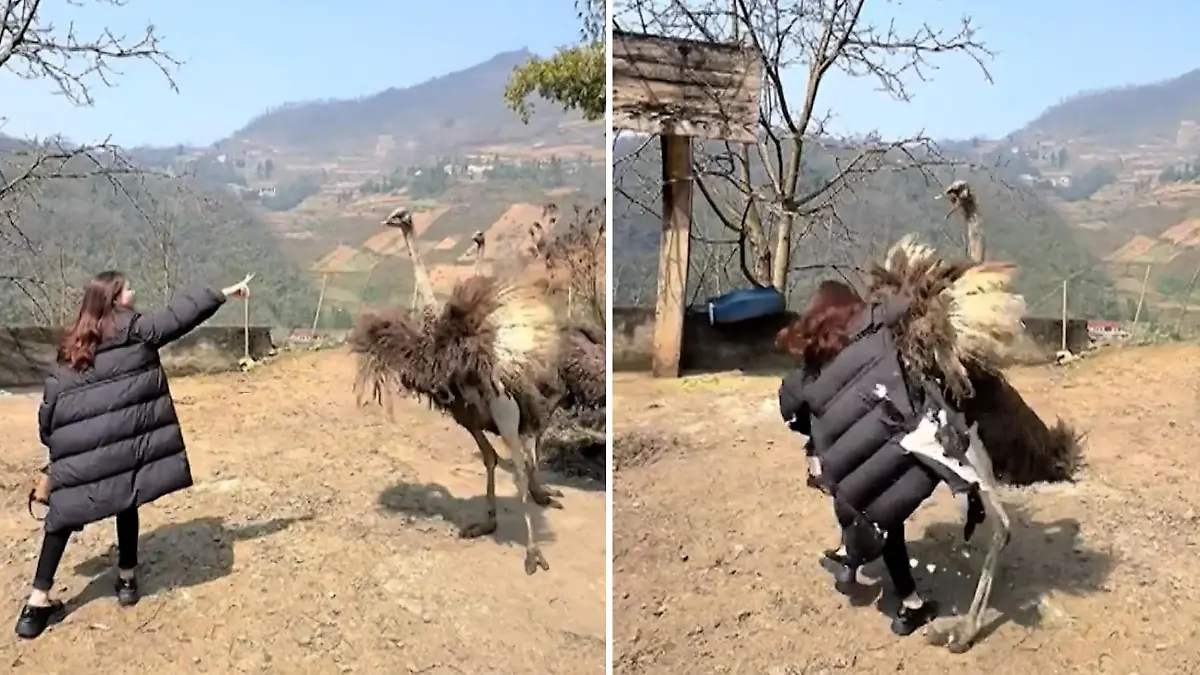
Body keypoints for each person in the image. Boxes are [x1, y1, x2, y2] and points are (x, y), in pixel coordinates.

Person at [15, 271, 253, 640]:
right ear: (113, 300)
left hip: (82, 454)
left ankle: (36, 603)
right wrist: (223, 292)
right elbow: (181, 314)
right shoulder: (139, 330)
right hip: (125, 448)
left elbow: (48, 414)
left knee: (61, 517)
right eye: (127, 289)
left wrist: (58, 449)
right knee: (127, 494)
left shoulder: (72, 349)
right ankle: (126, 580)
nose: (134, 292)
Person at [776, 279, 952, 637]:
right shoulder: (869, 348)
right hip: (876, 456)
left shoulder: (815, 364)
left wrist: (815, 437)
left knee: (855, 502)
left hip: (835, 463)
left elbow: (790, 404)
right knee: (886, 518)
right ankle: (910, 605)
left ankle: (850, 561)